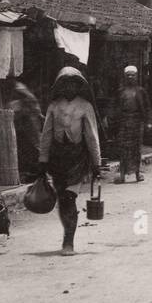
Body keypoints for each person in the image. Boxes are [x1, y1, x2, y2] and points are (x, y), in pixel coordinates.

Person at [39, 66, 102, 255]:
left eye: (72, 83)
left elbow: (92, 136)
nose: (69, 87)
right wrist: (42, 161)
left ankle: (69, 241)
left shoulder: (85, 106)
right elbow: (46, 135)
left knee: (69, 197)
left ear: (78, 86)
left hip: (77, 156)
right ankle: (67, 235)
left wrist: (96, 162)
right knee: (61, 198)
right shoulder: (53, 106)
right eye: (65, 83)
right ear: (60, 86)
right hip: (58, 157)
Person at [115, 65, 151, 184]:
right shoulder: (120, 91)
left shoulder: (141, 91)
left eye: (132, 75)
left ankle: (137, 173)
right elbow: (115, 108)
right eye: (128, 75)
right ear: (125, 77)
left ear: (136, 77)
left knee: (136, 149)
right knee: (123, 149)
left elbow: (147, 107)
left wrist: (148, 122)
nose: (130, 77)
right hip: (124, 122)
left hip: (137, 122)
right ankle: (122, 175)